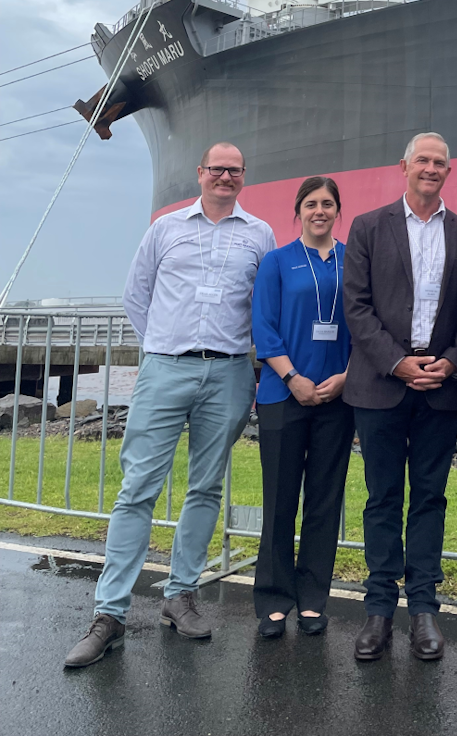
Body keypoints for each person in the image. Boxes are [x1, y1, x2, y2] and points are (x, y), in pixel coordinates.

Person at [64, 143, 274, 669]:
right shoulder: (165, 229)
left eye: (234, 169)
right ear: (200, 173)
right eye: (216, 168)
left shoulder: (260, 234)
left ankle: (179, 596)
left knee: (206, 487)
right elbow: (137, 294)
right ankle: (109, 614)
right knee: (137, 488)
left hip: (228, 370)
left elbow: (263, 301)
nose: (224, 176)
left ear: (243, 177)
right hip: (165, 367)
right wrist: (164, 344)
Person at [343, 132, 457, 663]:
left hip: (440, 387)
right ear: (404, 166)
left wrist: (450, 362)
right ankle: (378, 610)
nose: (431, 168)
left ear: (449, 171)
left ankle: (424, 609)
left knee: (429, 499)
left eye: (440, 162)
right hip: (381, 385)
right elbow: (356, 307)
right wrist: (396, 362)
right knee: (382, 499)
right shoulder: (367, 227)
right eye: (422, 160)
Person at [251, 176, 353, 639]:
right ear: (298, 211)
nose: (319, 211)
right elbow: (263, 327)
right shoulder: (277, 261)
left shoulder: (355, 260)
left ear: (337, 210)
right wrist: (292, 378)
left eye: (327, 203)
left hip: (338, 396)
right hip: (283, 395)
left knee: (324, 501)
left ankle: (313, 599)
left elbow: (367, 323)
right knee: (280, 500)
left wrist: (349, 375)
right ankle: (273, 598)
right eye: (311, 204)